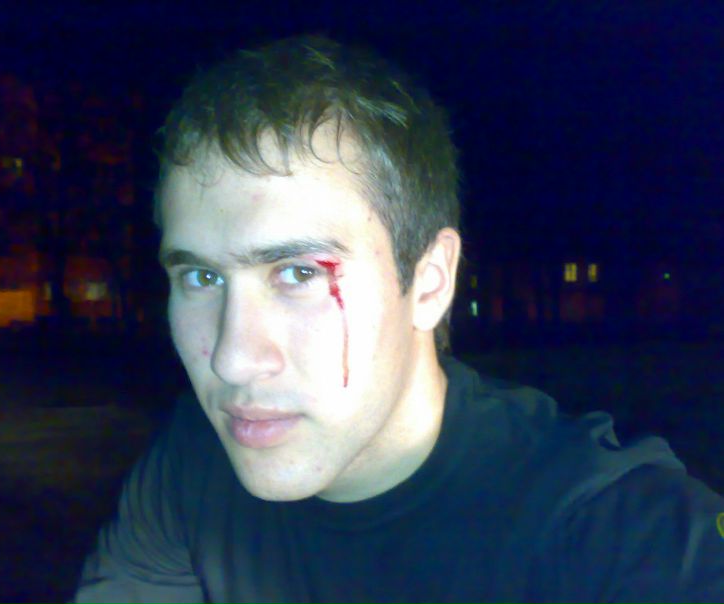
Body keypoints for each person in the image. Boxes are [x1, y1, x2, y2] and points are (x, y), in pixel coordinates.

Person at [72, 36, 724, 603]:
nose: (232, 359)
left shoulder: (613, 528)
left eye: (299, 274)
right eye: (202, 278)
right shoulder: (193, 462)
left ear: (430, 282)